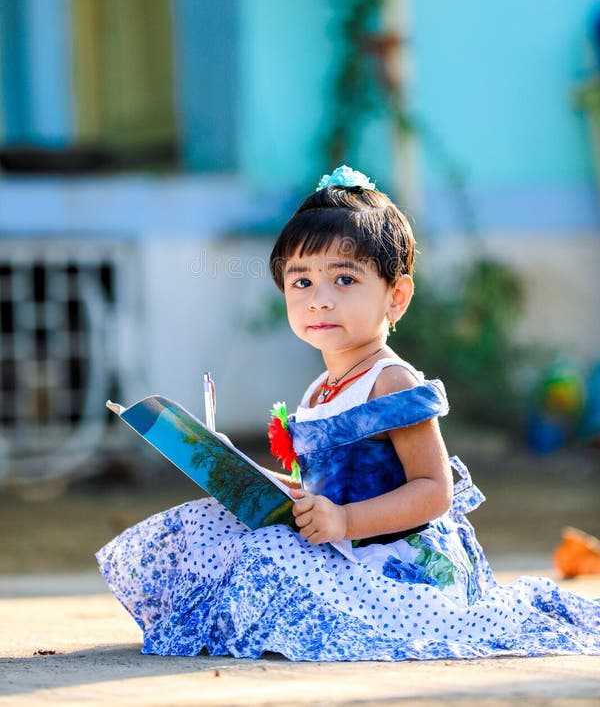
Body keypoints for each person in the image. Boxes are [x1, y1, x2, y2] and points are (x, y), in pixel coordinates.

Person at [97, 166, 600, 660]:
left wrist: (344, 520)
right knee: (205, 526)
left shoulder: (391, 381)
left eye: (344, 279)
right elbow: (320, 489)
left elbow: (434, 492)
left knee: (263, 557)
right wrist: (242, 473)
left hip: (397, 564)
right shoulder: (321, 389)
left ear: (396, 297)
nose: (319, 300)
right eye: (301, 283)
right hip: (338, 541)